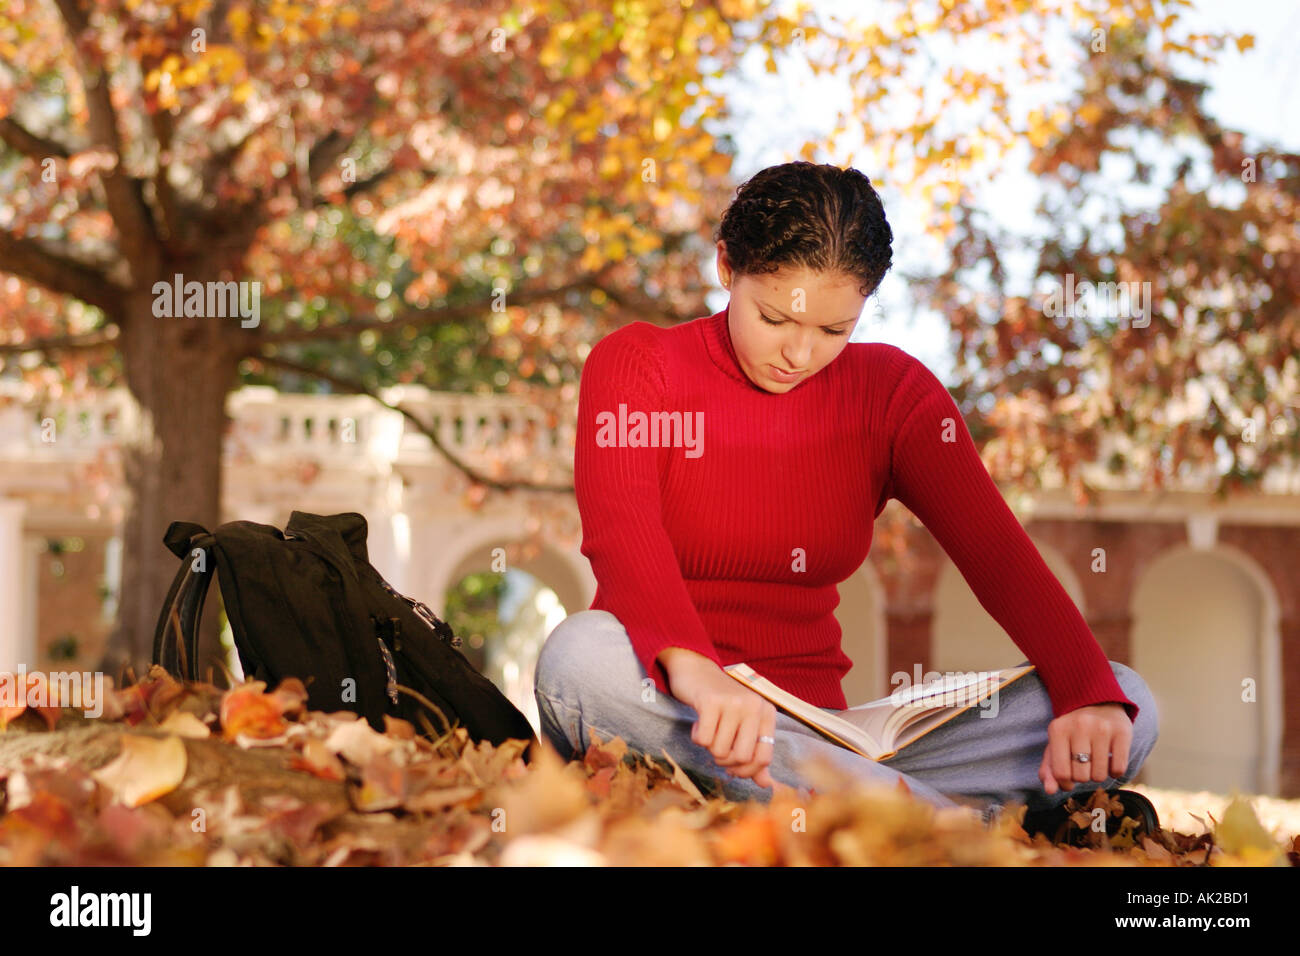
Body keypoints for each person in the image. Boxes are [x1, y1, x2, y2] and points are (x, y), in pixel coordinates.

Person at [534, 161, 1158, 816]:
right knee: (580, 656)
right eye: (775, 318)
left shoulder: (893, 395)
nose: (799, 354)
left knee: (1122, 699)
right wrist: (699, 674)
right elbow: (622, 538)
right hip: (678, 711)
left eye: (834, 330)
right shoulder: (637, 365)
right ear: (726, 267)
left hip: (826, 739)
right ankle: (953, 828)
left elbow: (999, 558)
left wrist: (1086, 692)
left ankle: (859, 798)